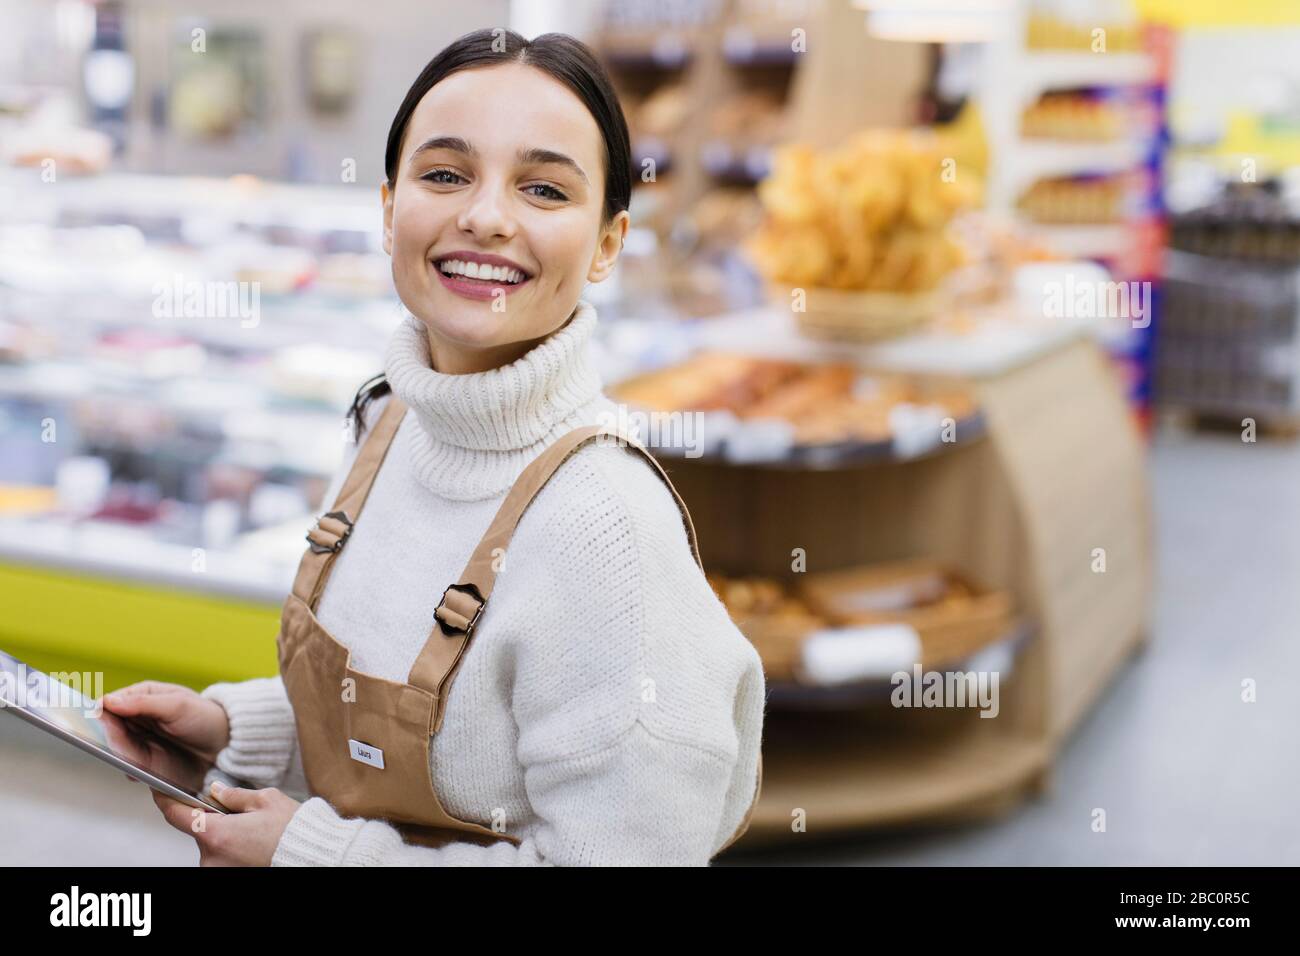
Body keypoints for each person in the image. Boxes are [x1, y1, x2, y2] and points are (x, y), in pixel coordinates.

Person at [102, 28, 765, 867]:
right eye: (445, 175)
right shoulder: (385, 428)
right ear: (388, 212)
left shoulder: (607, 529)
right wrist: (239, 729)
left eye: (545, 190)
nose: (485, 217)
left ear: (606, 244)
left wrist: (312, 855)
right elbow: (441, 735)